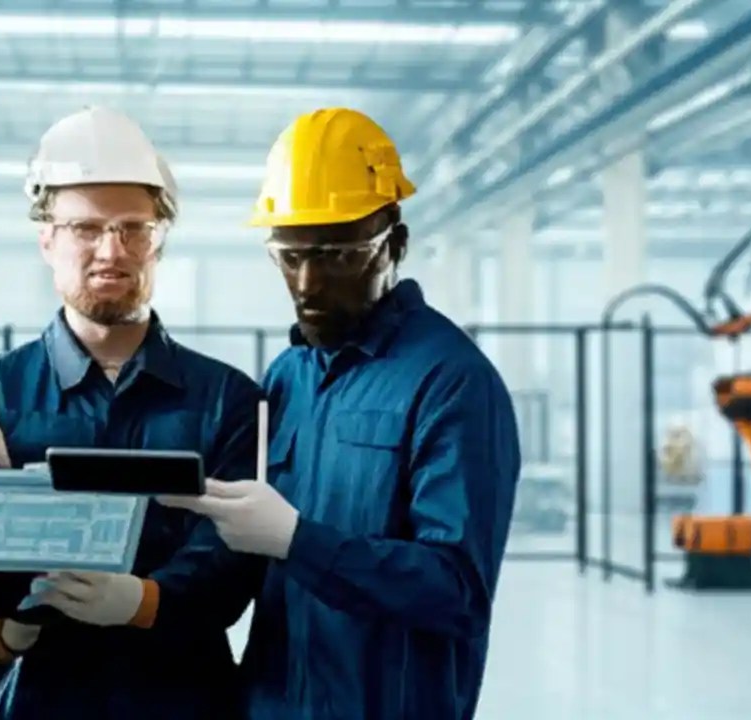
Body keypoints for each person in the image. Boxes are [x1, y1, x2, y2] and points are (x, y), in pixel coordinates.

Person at [160, 107, 523, 719]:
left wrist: (300, 542)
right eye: (288, 256)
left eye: (335, 255)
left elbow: (456, 591)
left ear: (395, 244)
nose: (307, 284)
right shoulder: (288, 376)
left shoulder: (452, 383)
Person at [0, 105, 264, 719]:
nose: (112, 251)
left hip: (183, 702)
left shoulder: (227, 399)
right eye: (86, 228)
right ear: (46, 239)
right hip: (34, 701)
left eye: (134, 228)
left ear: (158, 241)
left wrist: (145, 601)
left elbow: (234, 560)